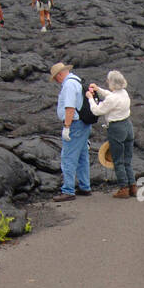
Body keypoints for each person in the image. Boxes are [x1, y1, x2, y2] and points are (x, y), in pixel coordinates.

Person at [87, 70, 136, 198]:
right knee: (127, 160)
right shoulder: (123, 93)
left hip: (116, 128)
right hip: (128, 125)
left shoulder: (113, 99)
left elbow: (97, 111)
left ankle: (123, 188)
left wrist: (90, 99)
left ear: (112, 83)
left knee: (118, 160)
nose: (107, 82)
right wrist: (98, 90)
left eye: (108, 80)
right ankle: (133, 186)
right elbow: (110, 95)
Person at [50, 62, 93, 200]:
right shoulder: (77, 80)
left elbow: (70, 108)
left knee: (68, 157)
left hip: (75, 124)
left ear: (60, 74)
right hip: (83, 123)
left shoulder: (68, 85)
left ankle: (68, 190)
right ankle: (85, 186)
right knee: (82, 156)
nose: (56, 81)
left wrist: (67, 127)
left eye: (56, 78)